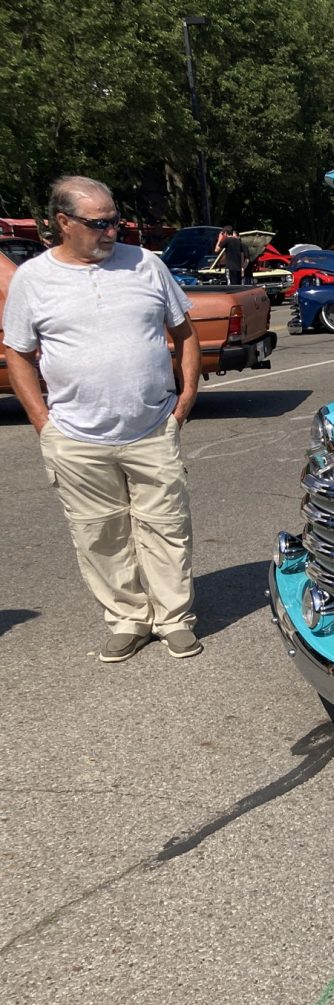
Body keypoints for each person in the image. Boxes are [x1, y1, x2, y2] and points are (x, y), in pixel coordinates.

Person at [0, 176, 202, 662]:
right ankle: (129, 619)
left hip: (152, 426)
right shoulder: (33, 279)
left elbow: (185, 333)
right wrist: (42, 422)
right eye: (99, 223)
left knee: (167, 527)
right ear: (63, 223)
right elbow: (18, 353)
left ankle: (173, 618)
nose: (112, 231)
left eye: (115, 220)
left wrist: (186, 396)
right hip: (75, 437)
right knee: (99, 534)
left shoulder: (147, 265)